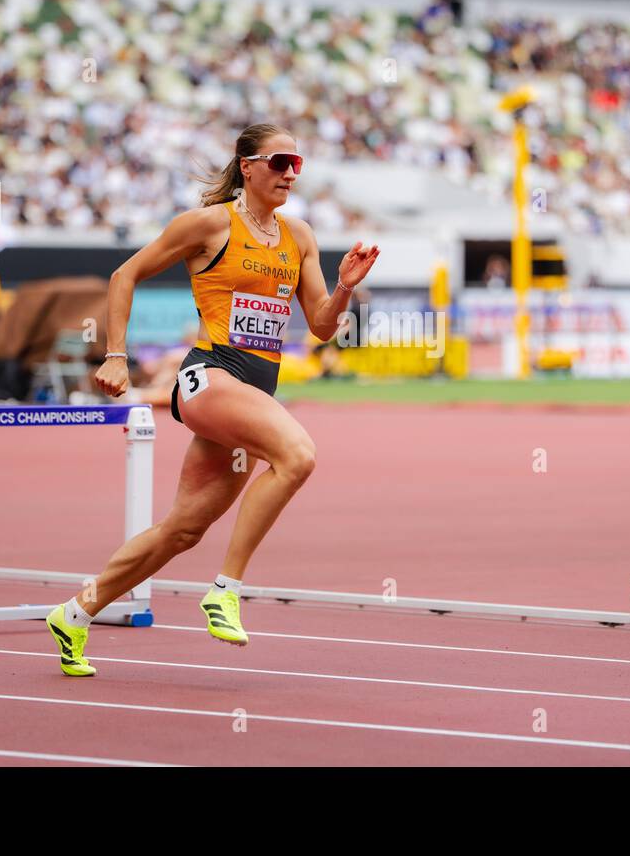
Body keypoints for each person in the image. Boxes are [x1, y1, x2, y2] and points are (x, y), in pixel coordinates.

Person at [45, 123, 379, 676]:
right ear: (246, 166)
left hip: (252, 390)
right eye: (279, 162)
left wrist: (345, 286)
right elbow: (124, 274)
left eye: (297, 163)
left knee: (183, 529)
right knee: (297, 455)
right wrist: (115, 355)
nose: (290, 173)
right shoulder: (208, 225)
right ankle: (225, 590)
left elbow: (321, 326)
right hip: (209, 377)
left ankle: (76, 612)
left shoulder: (300, 236)